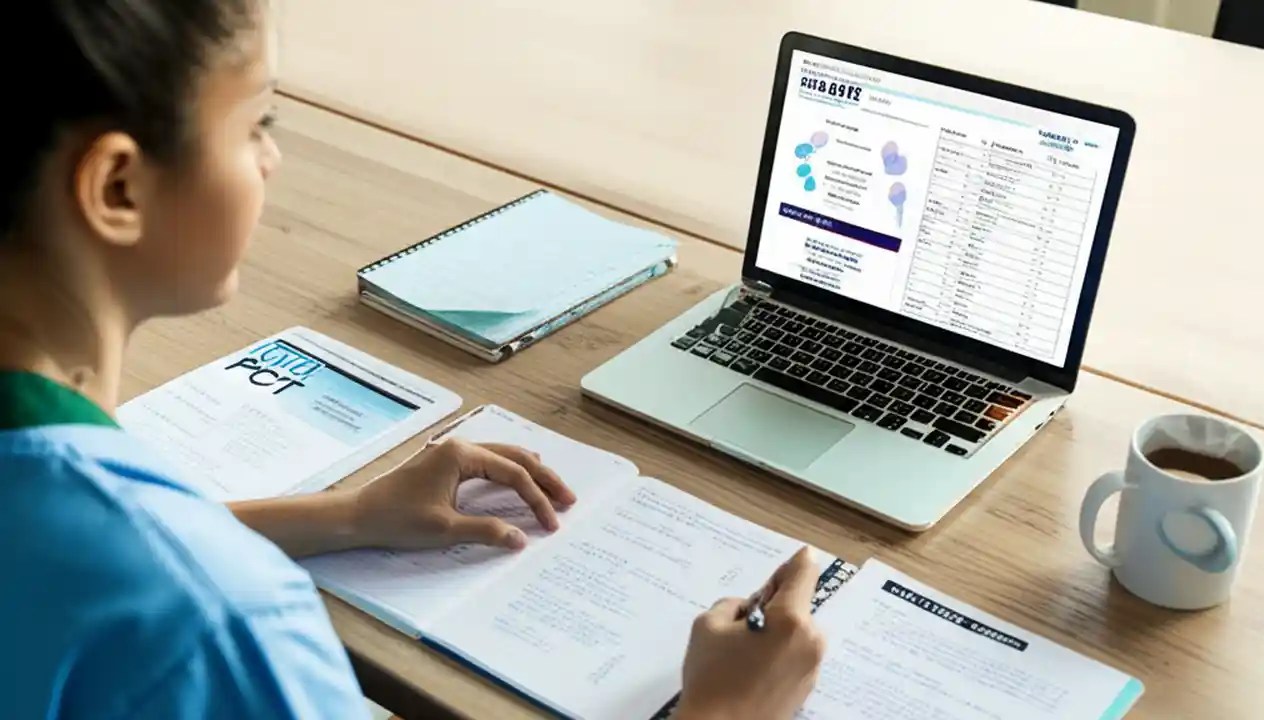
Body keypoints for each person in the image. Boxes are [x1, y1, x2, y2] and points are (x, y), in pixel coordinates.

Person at [0, 2, 826, 718]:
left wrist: (346, 516)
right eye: (257, 123)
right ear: (117, 188)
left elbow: (59, 573)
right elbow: (154, 590)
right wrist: (724, 710)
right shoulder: (223, 627)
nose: (271, 160)